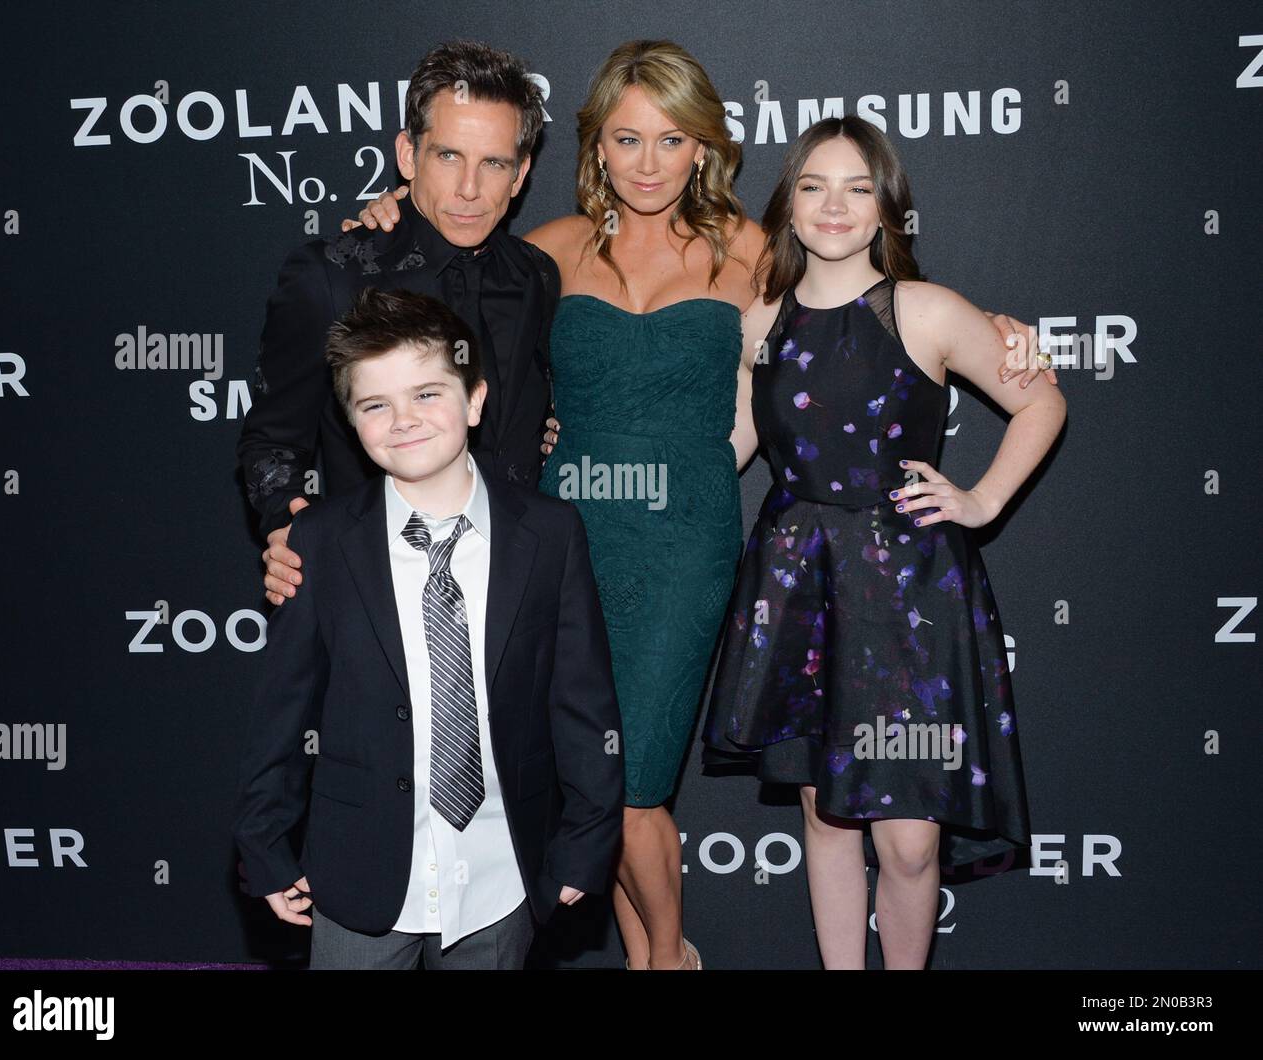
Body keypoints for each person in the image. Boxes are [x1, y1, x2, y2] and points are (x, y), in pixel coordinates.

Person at [351, 39, 1049, 972]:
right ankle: (656, 959)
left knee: (636, 780)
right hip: (566, 532)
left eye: (671, 140)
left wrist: (1008, 337)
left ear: (704, 151)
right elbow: (452, 285)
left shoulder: (754, 254)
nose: (648, 163)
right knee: (580, 776)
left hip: (686, 537)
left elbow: (852, 309)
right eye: (628, 139)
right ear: (597, 147)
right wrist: (395, 212)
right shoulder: (547, 252)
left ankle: (670, 961)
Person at [702, 116, 1066, 969]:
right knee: (826, 816)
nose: (835, 205)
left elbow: (1041, 401)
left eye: (858, 187)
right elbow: (725, 453)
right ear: (789, 206)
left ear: (886, 208)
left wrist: (981, 500)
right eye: (814, 185)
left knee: (907, 842)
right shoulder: (761, 317)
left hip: (911, 596)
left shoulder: (927, 309)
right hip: (798, 589)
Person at [231, 287, 623, 969]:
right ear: (351, 422)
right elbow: (282, 709)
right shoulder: (320, 540)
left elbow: (584, 704)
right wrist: (263, 842)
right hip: (359, 873)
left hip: (500, 875)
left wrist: (587, 842)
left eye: (427, 394)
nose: (403, 420)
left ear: (474, 400)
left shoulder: (549, 534)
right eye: (375, 404)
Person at [242, 39, 558, 606]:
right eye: (448, 156)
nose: (469, 189)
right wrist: (286, 522)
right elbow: (272, 440)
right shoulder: (332, 275)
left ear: (520, 174)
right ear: (408, 156)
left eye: (493, 163)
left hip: (514, 590)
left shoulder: (536, 276)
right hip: (372, 590)